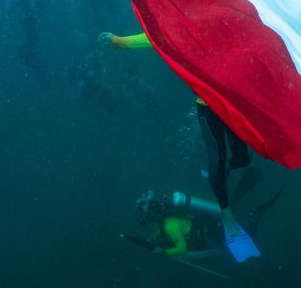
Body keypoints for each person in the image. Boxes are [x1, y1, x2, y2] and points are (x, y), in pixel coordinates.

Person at [101, 30, 260, 262]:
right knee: (219, 159)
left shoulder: (209, 31)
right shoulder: (180, 32)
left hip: (227, 101)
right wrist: (121, 42)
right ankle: (227, 210)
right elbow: (156, 36)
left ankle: (228, 187)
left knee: (239, 159)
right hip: (208, 104)